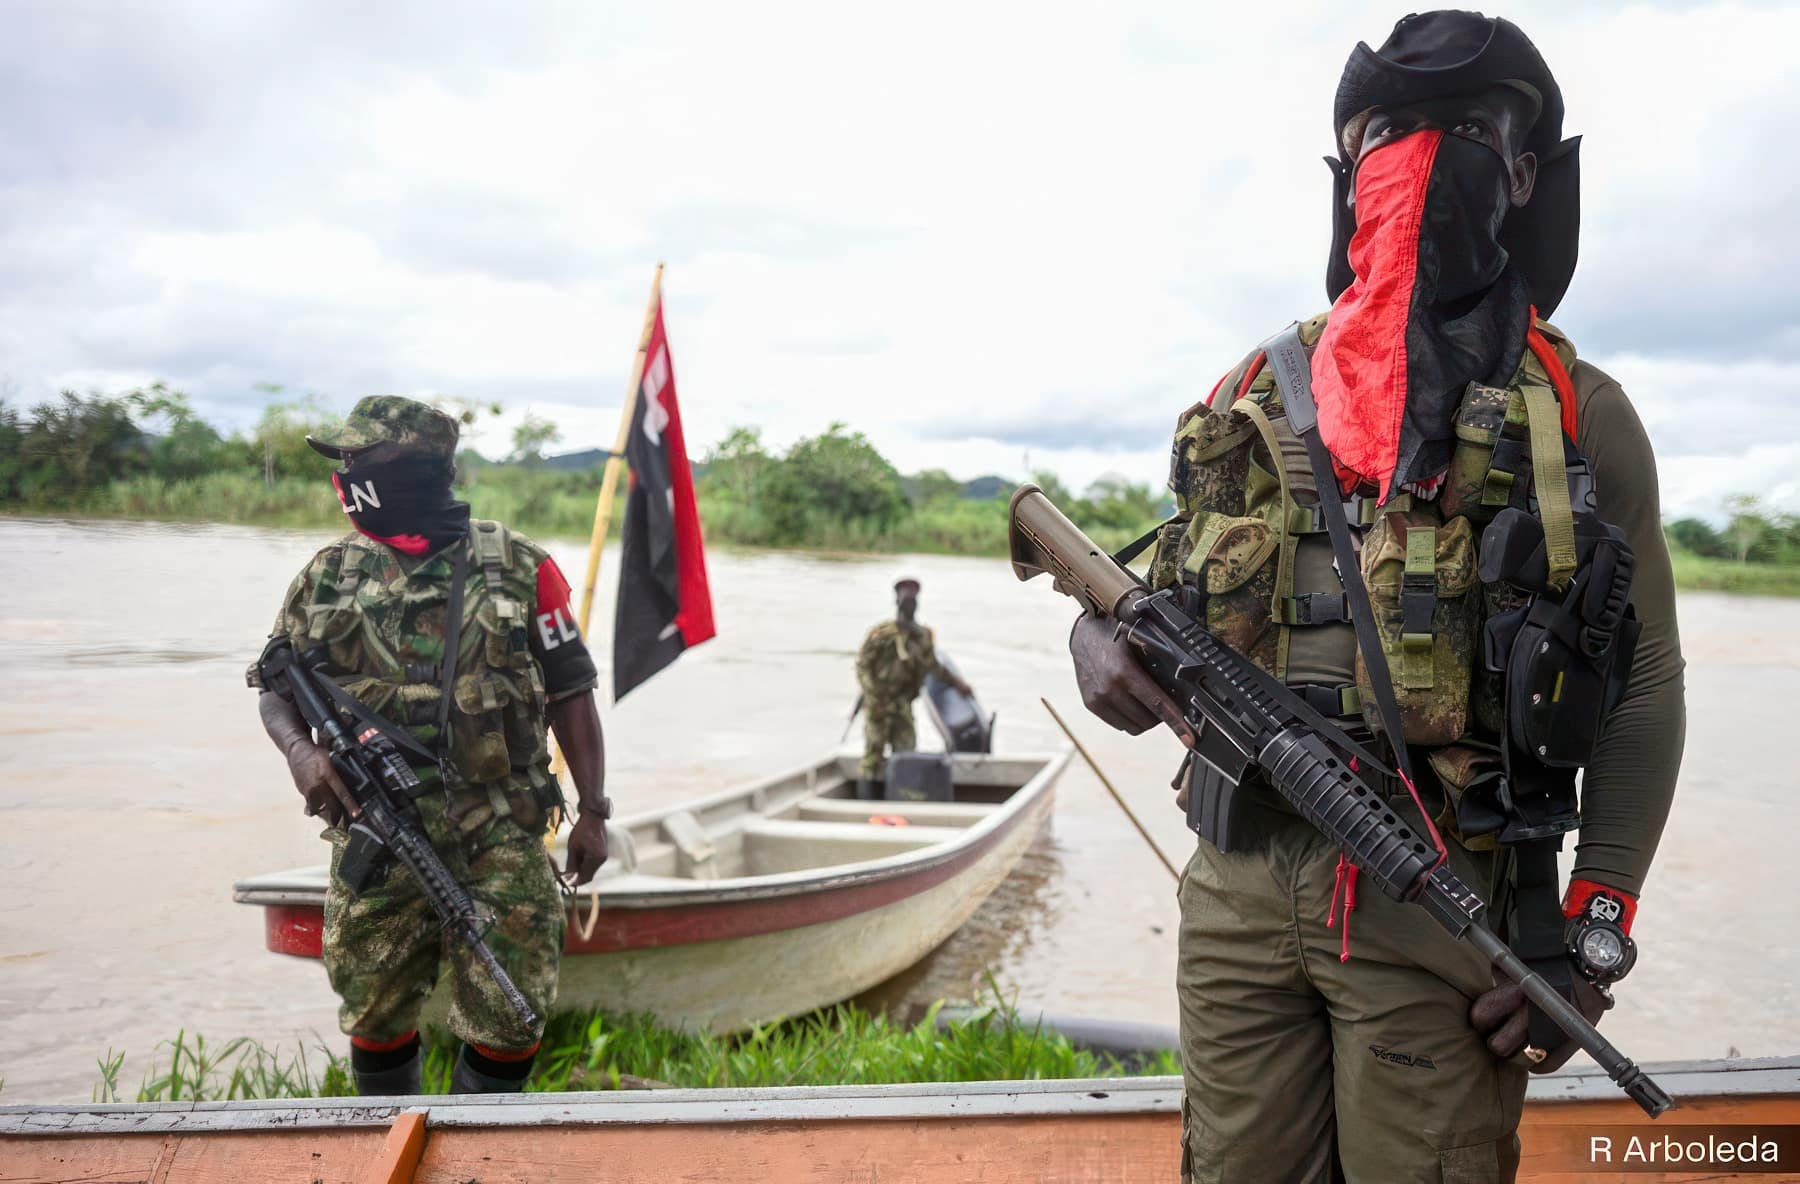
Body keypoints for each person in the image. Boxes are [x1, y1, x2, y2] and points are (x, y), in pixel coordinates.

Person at [1070, 14, 1684, 1182]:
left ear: (1518, 176)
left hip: (1445, 896)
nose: (1417, 161)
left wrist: (1589, 938)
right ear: (1350, 181)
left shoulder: (1579, 411)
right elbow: (1152, 594)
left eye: (1461, 134)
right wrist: (1091, 640)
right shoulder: (1252, 389)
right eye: (1387, 135)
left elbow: (1644, 677)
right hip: (1237, 884)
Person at [248, 396, 613, 1096]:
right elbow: (274, 686)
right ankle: (394, 1139)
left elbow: (573, 690)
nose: (346, 471)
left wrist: (593, 811)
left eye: (360, 458)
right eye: (343, 460)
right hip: (376, 830)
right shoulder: (327, 573)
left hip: (500, 829)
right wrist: (301, 753)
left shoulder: (519, 566)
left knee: (514, 1014)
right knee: (372, 1007)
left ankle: (479, 1149)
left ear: (414, 467)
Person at [853, 577, 973, 798]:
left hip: (902, 703)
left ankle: (901, 801)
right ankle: (865, 804)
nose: (909, 603)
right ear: (896, 600)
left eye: (913, 598)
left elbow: (934, 667)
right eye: (905, 597)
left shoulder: (922, 636)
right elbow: (862, 666)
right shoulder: (881, 634)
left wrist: (959, 685)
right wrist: (873, 694)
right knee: (873, 755)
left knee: (906, 754)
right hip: (878, 703)